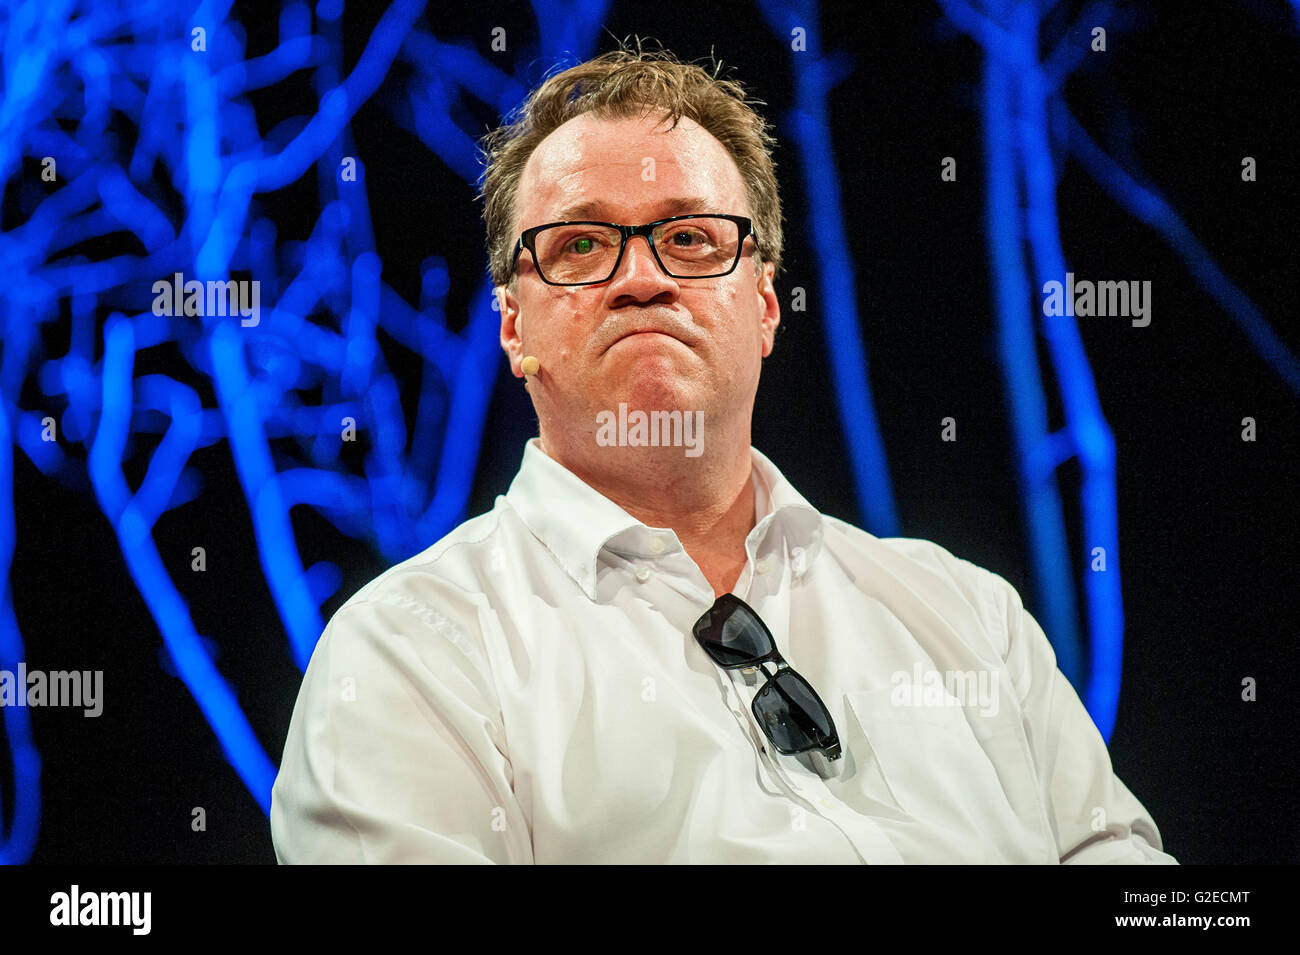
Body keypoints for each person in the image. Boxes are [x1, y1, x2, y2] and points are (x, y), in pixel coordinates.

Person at [270, 45, 1177, 864]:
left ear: (767, 306)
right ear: (515, 325)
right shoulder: (405, 658)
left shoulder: (971, 616)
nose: (642, 277)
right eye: (582, 244)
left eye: (691, 238)